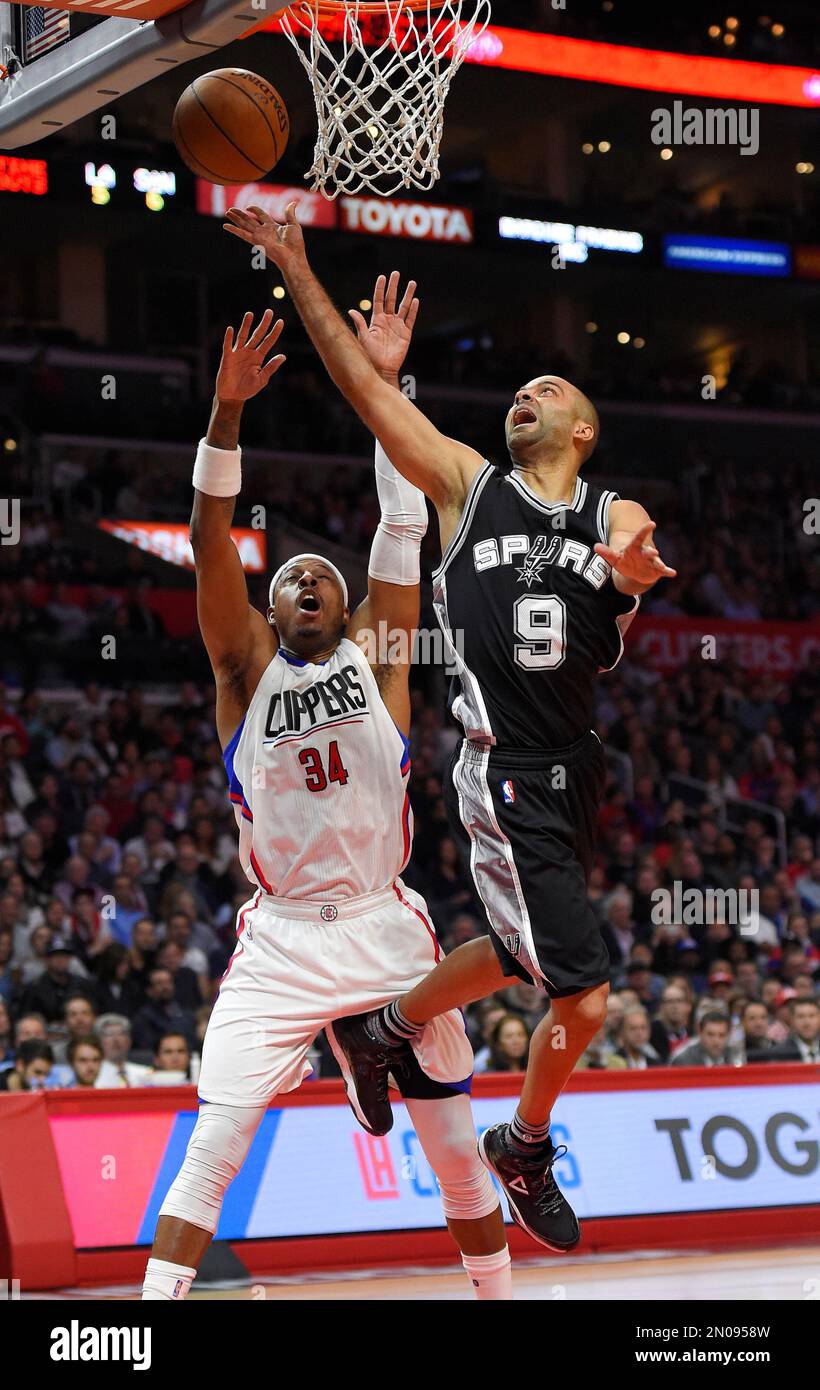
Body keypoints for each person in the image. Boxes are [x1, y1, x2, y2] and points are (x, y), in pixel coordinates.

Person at [226, 203, 676, 1250]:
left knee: (521, 958)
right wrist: (295, 263)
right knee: (590, 993)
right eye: (518, 390)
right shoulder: (468, 485)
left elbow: (631, 542)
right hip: (502, 765)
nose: (524, 395)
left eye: (546, 391)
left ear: (581, 430)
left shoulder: (606, 508)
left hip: (577, 767)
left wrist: (639, 564)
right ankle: (520, 1144)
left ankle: (384, 1030)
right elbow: (360, 392)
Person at [141, 306, 509, 1303]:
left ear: (345, 609)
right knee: (213, 1140)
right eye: (290, 577)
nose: (307, 580)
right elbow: (209, 534)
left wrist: (386, 387)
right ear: (268, 611)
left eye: (322, 578)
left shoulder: (383, 665)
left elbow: (402, 526)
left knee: (455, 1151)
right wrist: (225, 413)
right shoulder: (240, 674)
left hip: (387, 925)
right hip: (282, 942)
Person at [748, 997, 820, 1063]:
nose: (807, 1022)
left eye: (812, 1016)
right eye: (800, 1016)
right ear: (791, 1021)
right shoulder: (778, 1053)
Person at [95, 1014, 152, 1087]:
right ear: (100, 1041)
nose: (115, 1039)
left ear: (129, 1040)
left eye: (121, 1034)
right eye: (109, 1034)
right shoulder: (93, 1075)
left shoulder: (145, 1073)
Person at [670, 1011, 735, 1067]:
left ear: (729, 1035)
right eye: (710, 1034)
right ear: (700, 1033)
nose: (716, 1041)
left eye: (721, 1035)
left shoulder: (735, 1056)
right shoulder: (683, 1060)